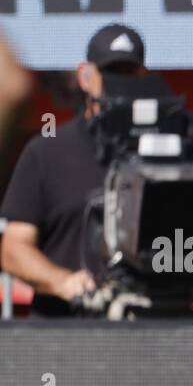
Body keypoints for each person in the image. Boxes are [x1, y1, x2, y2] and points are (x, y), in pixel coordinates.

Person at [0, 24, 148, 317]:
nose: (120, 83)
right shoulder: (46, 151)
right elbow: (12, 249)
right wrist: (63, 282)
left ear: (144, 78)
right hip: (64, 333)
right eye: (111, 72)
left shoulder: (165, 152)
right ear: (86, 76)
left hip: (146, 331)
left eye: (128, 73)